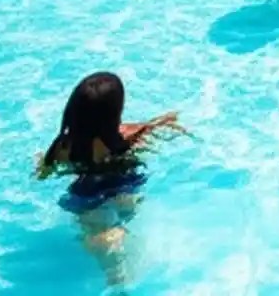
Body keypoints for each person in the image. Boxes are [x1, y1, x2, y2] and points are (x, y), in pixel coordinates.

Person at [35, 72, 186, 285]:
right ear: (116, 114)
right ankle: (120, 251)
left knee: (98, 232)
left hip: (86, 193)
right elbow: (153, 128)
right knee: (126, 211)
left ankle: (115, 275)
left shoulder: (64, 147)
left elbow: (44, 172)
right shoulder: (124, 137)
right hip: (125, 183)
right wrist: (165, 121)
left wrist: (41, 165)